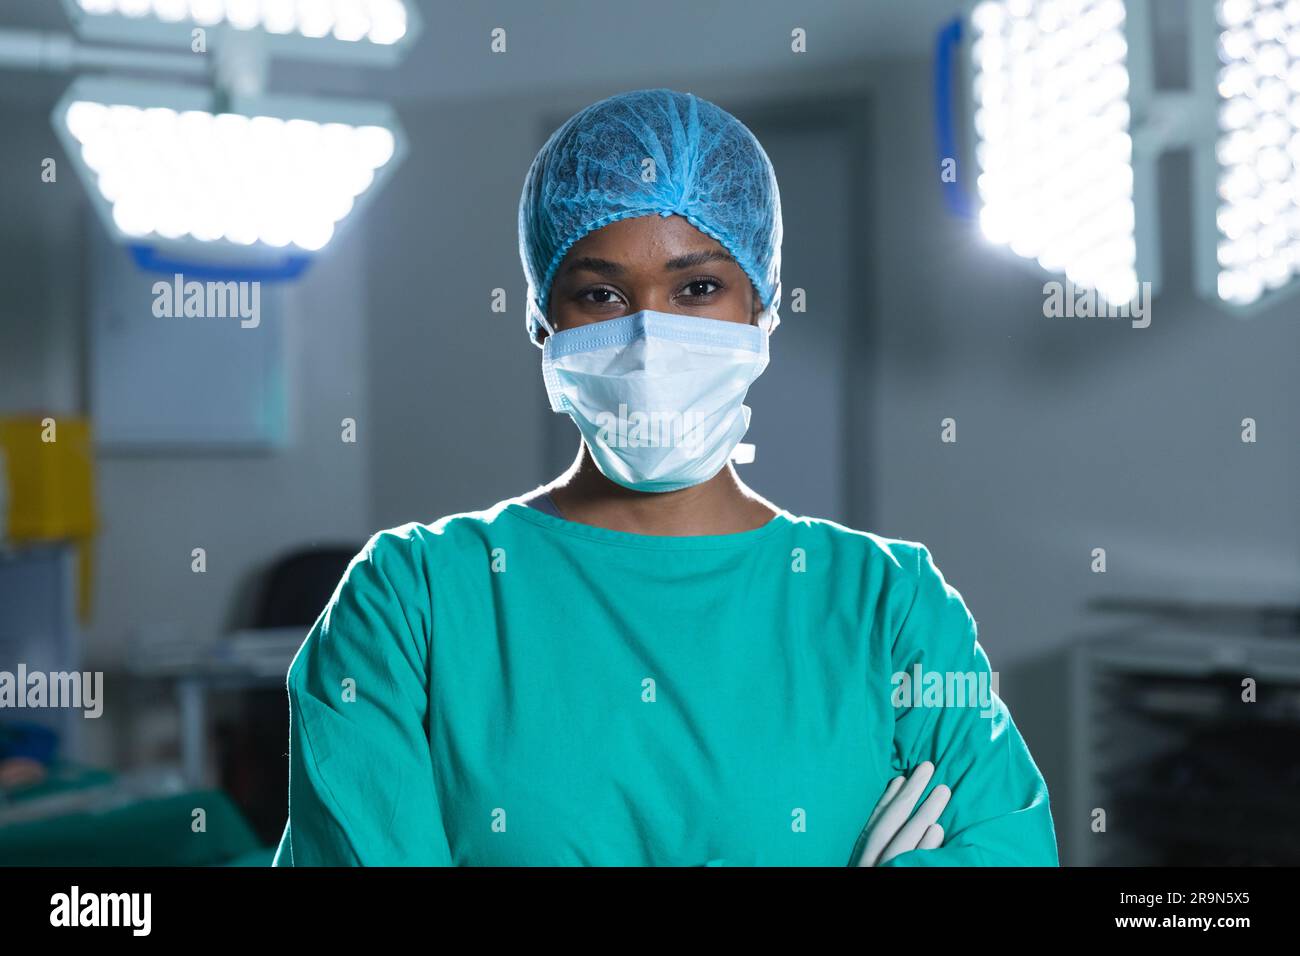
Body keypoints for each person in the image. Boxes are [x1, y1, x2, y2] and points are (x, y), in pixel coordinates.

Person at [272, 88, 1058, 867]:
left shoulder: (889, 605)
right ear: (544, 323)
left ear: (762, 309)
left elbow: (1008, 849)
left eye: (698, 288)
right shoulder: (411, 599)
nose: (650, 337)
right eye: (600, 295)